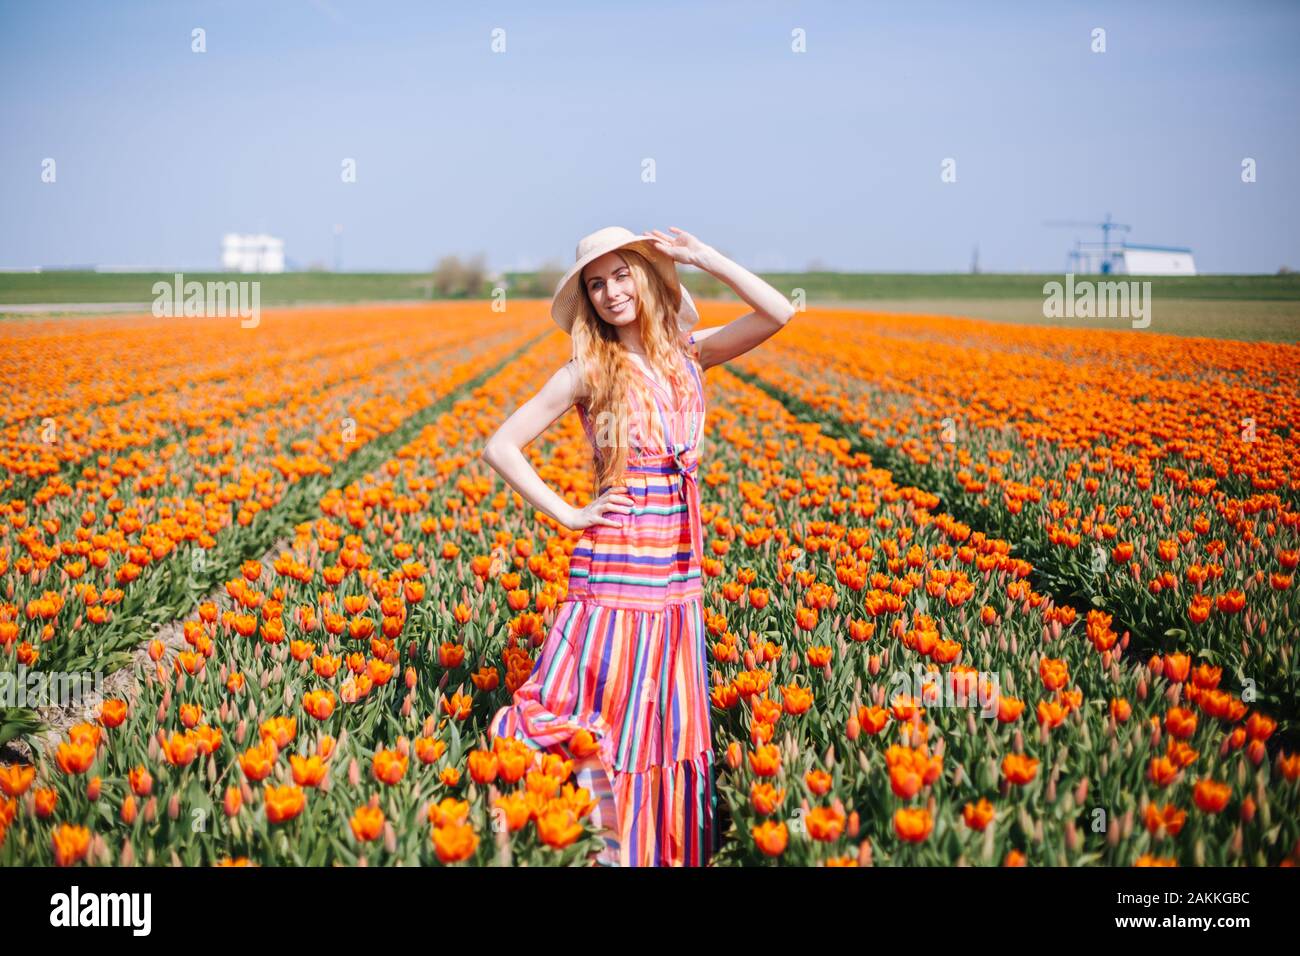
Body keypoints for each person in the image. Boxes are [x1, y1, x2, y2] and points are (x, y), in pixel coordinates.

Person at [481, 225, 796, 866]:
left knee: (663, 713)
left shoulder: (690, 353)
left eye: (621, 275)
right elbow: (500, 446)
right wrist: (570, 514)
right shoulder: (586, 371)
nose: (609, 292)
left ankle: (651, 851)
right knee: (597, 701)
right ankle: (574, 838)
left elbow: (778, 312)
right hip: (618, 557)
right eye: (595, 285)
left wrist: (702, 256)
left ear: (647, 279)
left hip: (678, 563)